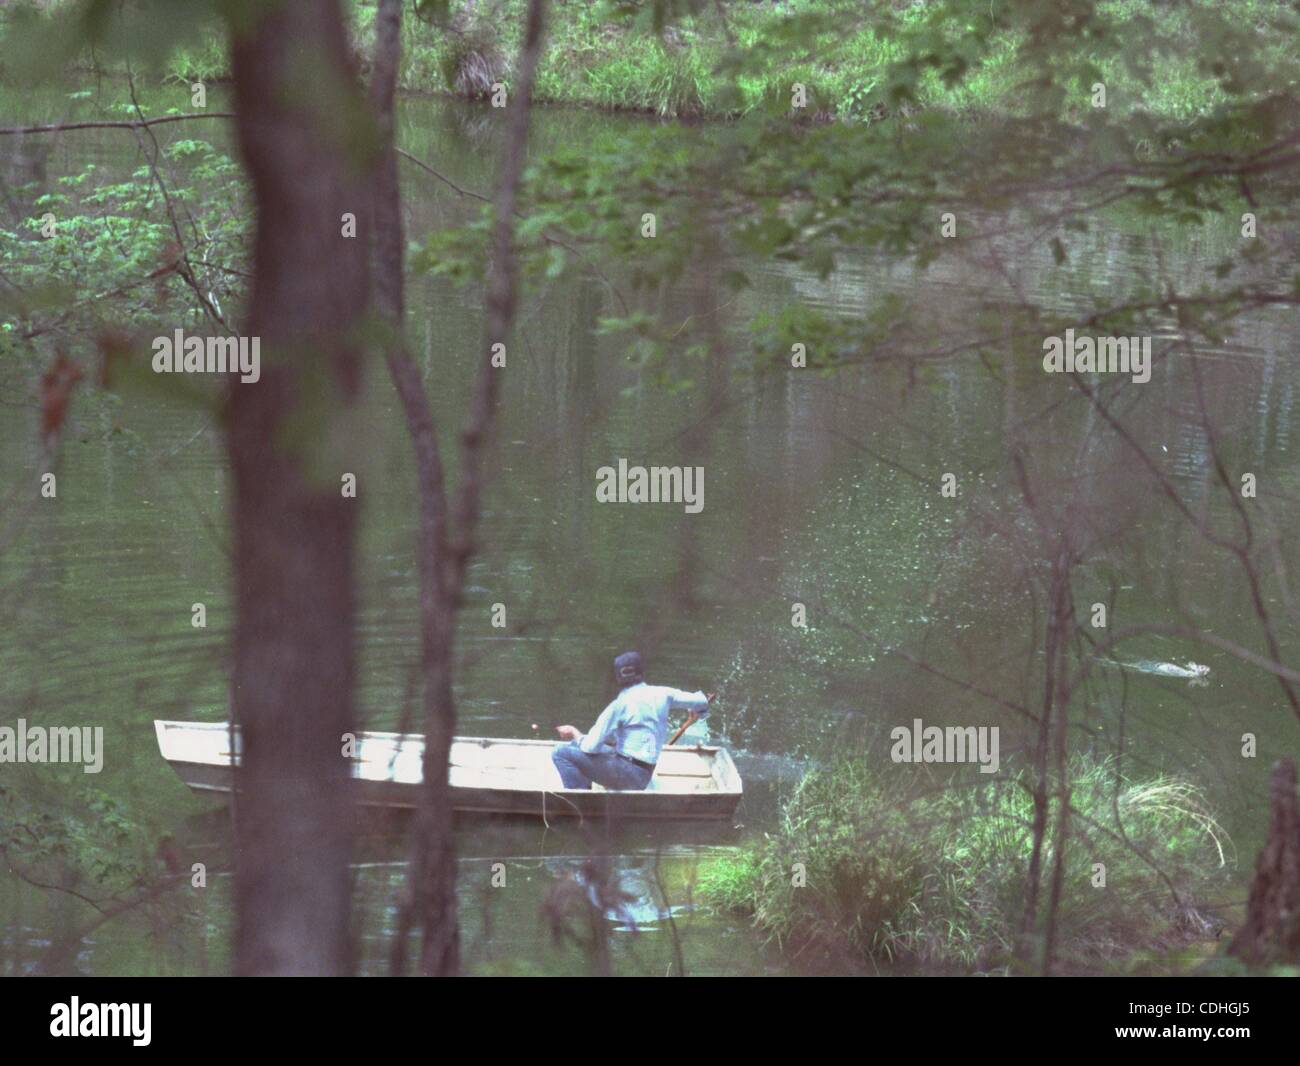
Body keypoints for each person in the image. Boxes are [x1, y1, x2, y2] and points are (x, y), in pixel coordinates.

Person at [551, 651, 712, 791]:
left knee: (561, 753)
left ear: (618, 678)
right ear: (641, 672)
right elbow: (701, 701)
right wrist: (698, 711)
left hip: (628, 776)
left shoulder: (618, 706)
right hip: (645, 774)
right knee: (576, 747)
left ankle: (581, 804)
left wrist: (574, 732)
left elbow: (590, 747)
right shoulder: (664, 694)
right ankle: (586, 792)